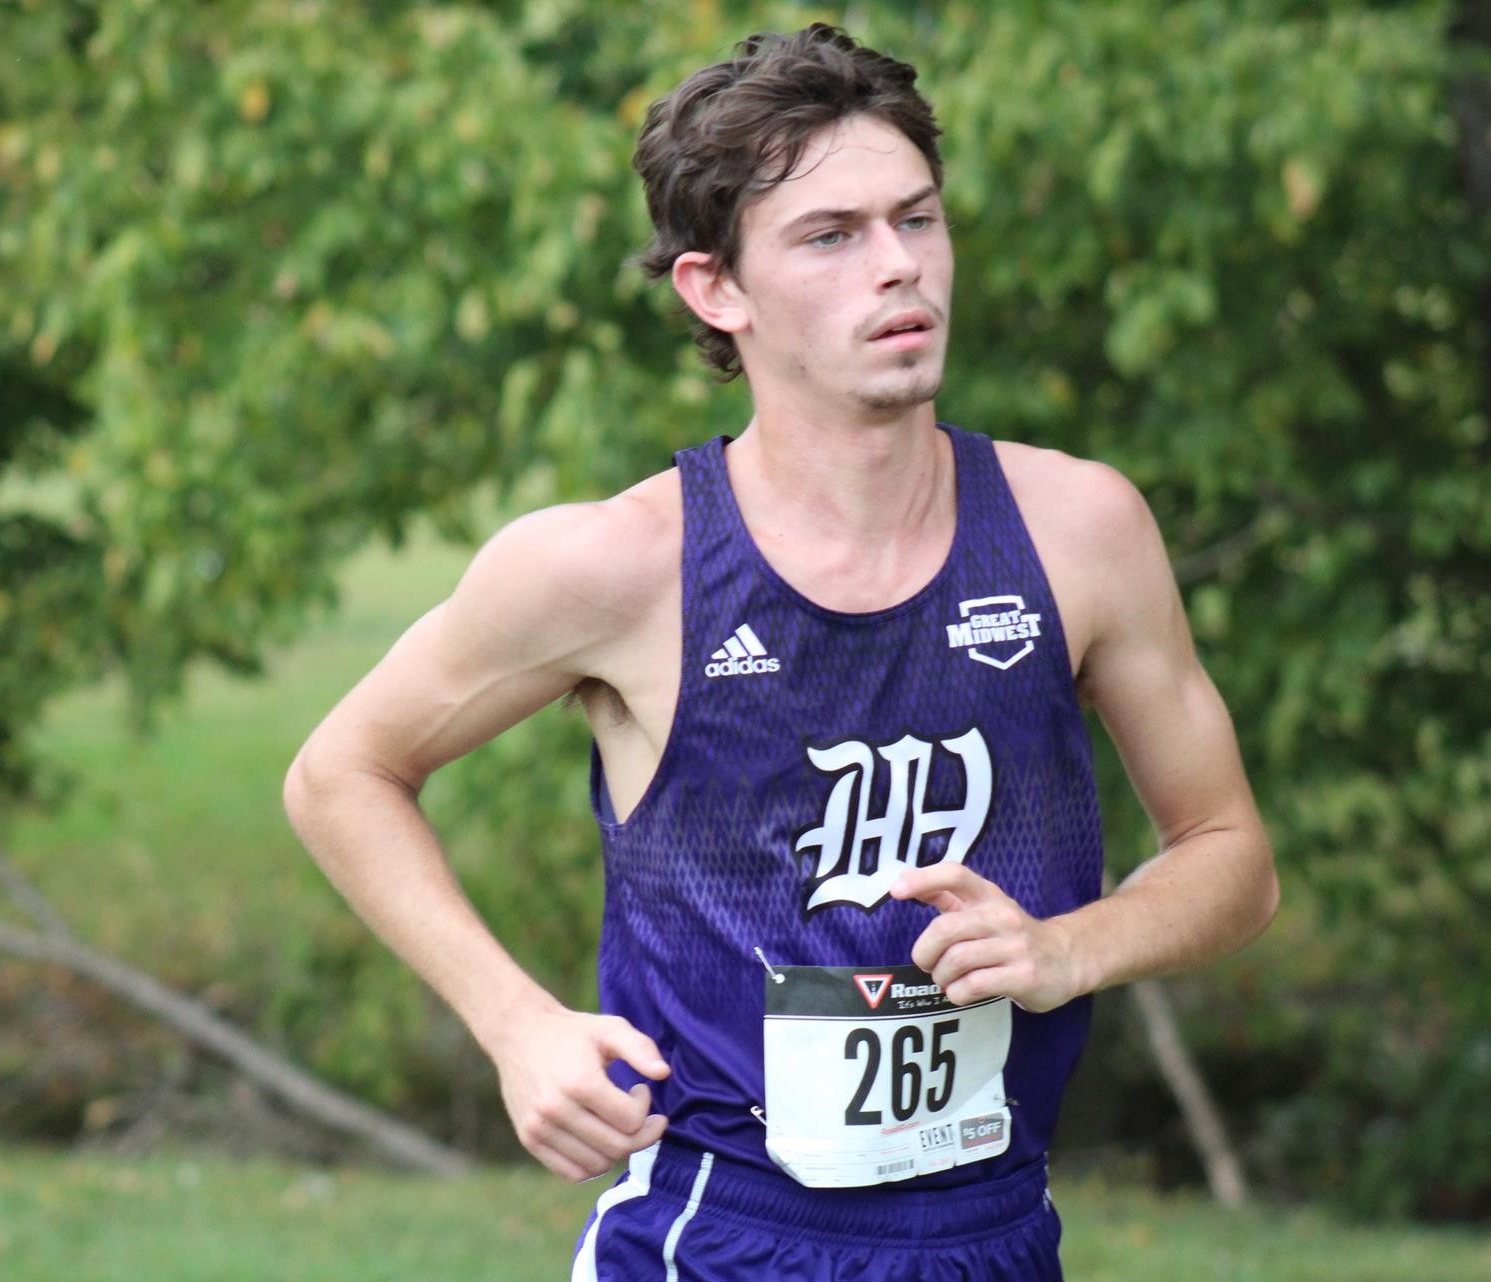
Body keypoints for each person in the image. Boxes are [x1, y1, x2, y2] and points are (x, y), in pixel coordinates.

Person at [283, 23, 1278, 1281]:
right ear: (717, 288)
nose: (899, 268)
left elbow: (1233, 858)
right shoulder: (618, 566)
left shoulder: (1078, 530)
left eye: (916, 221)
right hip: (716, 1236)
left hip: (998, 1233)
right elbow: (340, 775)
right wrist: (516, 1022)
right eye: (831, 236)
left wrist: (1071, 945)